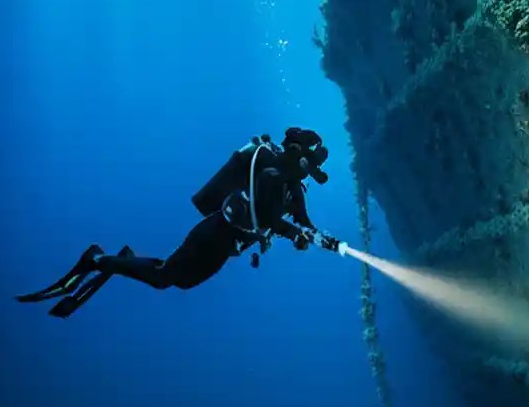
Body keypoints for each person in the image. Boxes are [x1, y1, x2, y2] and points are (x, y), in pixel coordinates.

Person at [17, 127, 337, 318]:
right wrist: (293, 232)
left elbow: (301, 221)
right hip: (214, 234)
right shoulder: (270, 169)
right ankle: (96, 259)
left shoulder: (293, 188)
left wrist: (323, 239)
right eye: (310, 164)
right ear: (298, 154)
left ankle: (123, 261)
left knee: (175, 280)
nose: (310, 173)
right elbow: (269, 217)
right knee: (164, 277)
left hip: (226, 248)